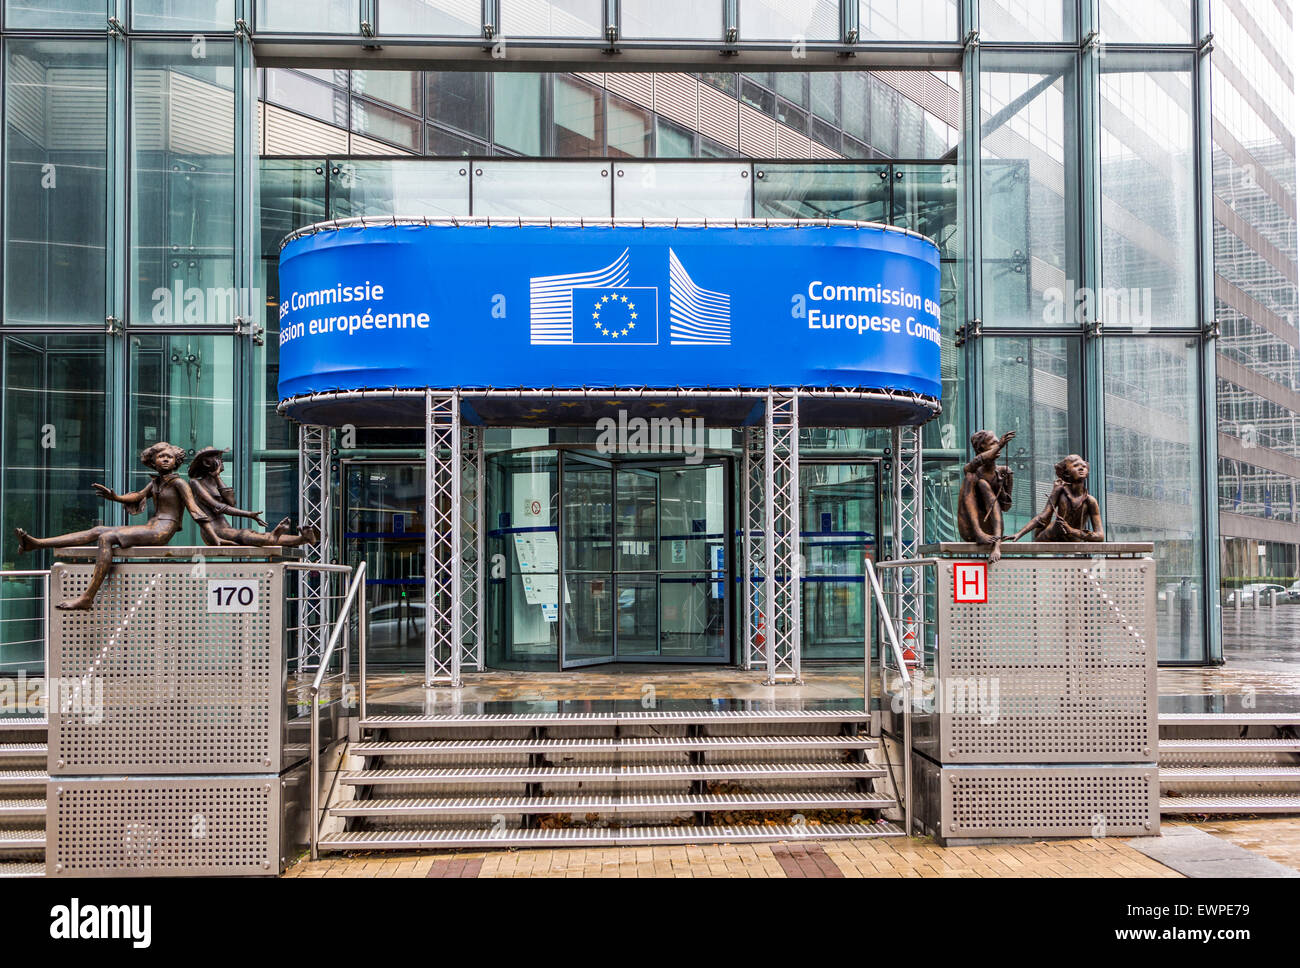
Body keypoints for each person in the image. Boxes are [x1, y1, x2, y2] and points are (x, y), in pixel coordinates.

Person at [14, 441, 222, 610]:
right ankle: (36, 543)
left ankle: (87, 597)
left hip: (162, 530)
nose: (165, 459)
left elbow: (195, 510)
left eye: (169, 456)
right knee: (98, 530)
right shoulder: (157, 482)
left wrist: (215, 538)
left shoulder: (179, 483)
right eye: (160, 456)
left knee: (106, 537)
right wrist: (115, 497)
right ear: (153, 462)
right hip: (153, 526)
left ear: (176, 460)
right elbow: (138, 496)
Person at [187, 446, 319, 547]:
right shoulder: (196, 483)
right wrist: (249, 514)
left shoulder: (216, 482)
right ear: (205, 462)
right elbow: (221, 507)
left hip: (226, 529)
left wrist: (217, 477)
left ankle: (303, 539)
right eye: (217, 458)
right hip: (214, 532)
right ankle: (274, 538)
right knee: (245, 534)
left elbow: (231, 502)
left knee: (256, 535)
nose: (221, 461)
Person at [1011, 454, 1104, 543]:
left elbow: (1100, 536)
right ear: (1066, 473)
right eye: (1075, 466)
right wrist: (1019, 534)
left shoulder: (1090, 501)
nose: (1081, 468)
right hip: (1050, 537)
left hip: (1074, 542)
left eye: (1084, 466)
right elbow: (1043, 517)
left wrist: (1072, 531)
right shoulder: (1060, 493)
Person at [957, 428, 1016, 562]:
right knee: (973, 479)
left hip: (993, 530)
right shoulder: (971, 469)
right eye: (993, 443)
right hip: (971, 528)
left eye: (998, 443)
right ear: (982, 447)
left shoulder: (1003, 471)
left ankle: (997, 546)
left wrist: (1002, 486)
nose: (997, 445)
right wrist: (1000, 445)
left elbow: (1006, 507)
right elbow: (977, 462)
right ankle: (979, 533)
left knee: (984, 485)